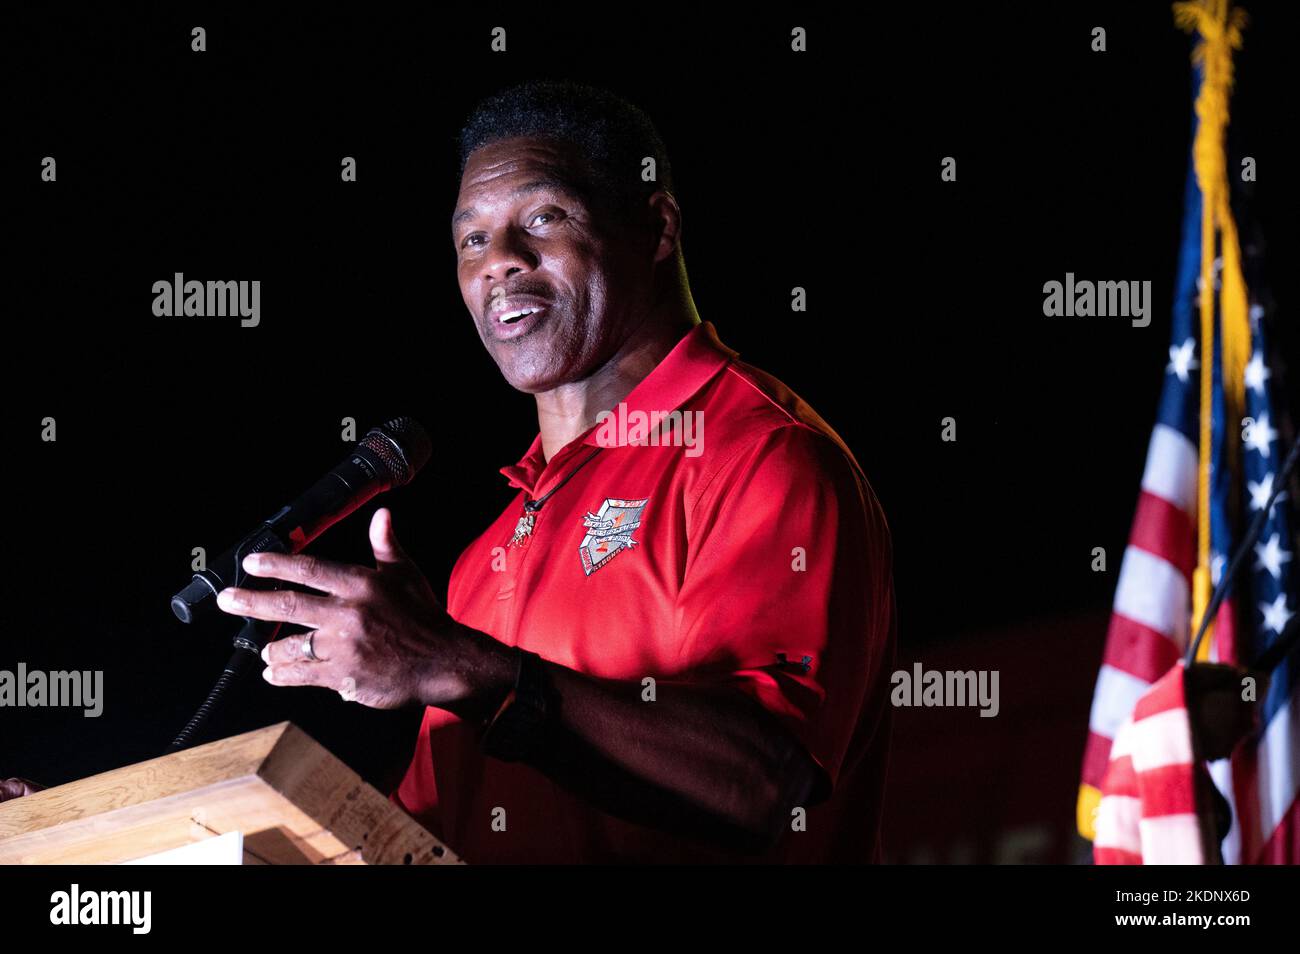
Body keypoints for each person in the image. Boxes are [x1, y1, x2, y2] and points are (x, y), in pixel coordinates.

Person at [5, 81, 897, 863]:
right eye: (470, 239)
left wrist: (463, 667)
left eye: (541, 217)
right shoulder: (490, 553)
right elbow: (419, 853)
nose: (497, 259)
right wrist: (100, 839)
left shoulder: (760, 455)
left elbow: (763, 788)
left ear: (657, 225)